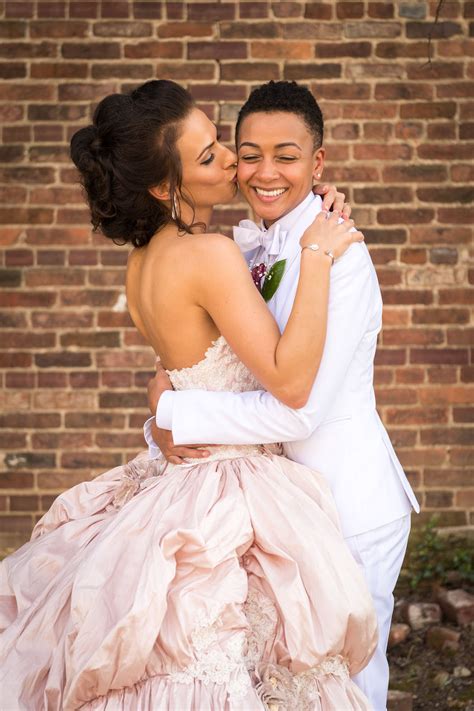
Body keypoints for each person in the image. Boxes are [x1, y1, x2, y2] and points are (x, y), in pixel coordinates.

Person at [0, 79, 377, 709]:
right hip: (230, 482)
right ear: (161, 187)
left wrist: (308, 207)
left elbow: (180, 365)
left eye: (219, 143)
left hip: (183, 472)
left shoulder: (147, 258)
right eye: (209, 158)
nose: (232, 162)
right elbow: (288, 381)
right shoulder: (209, 254)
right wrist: (314, 252)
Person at [147, 80, 421, 711]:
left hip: (348, 505)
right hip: (280, 508)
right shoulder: (248, 244)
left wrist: (175, 412)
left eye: (287, 156)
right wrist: (167, 411)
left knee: (349, 679)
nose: (265, 172)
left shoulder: (340, 257)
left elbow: (299, 407)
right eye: (249, 153)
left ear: (317, 163)